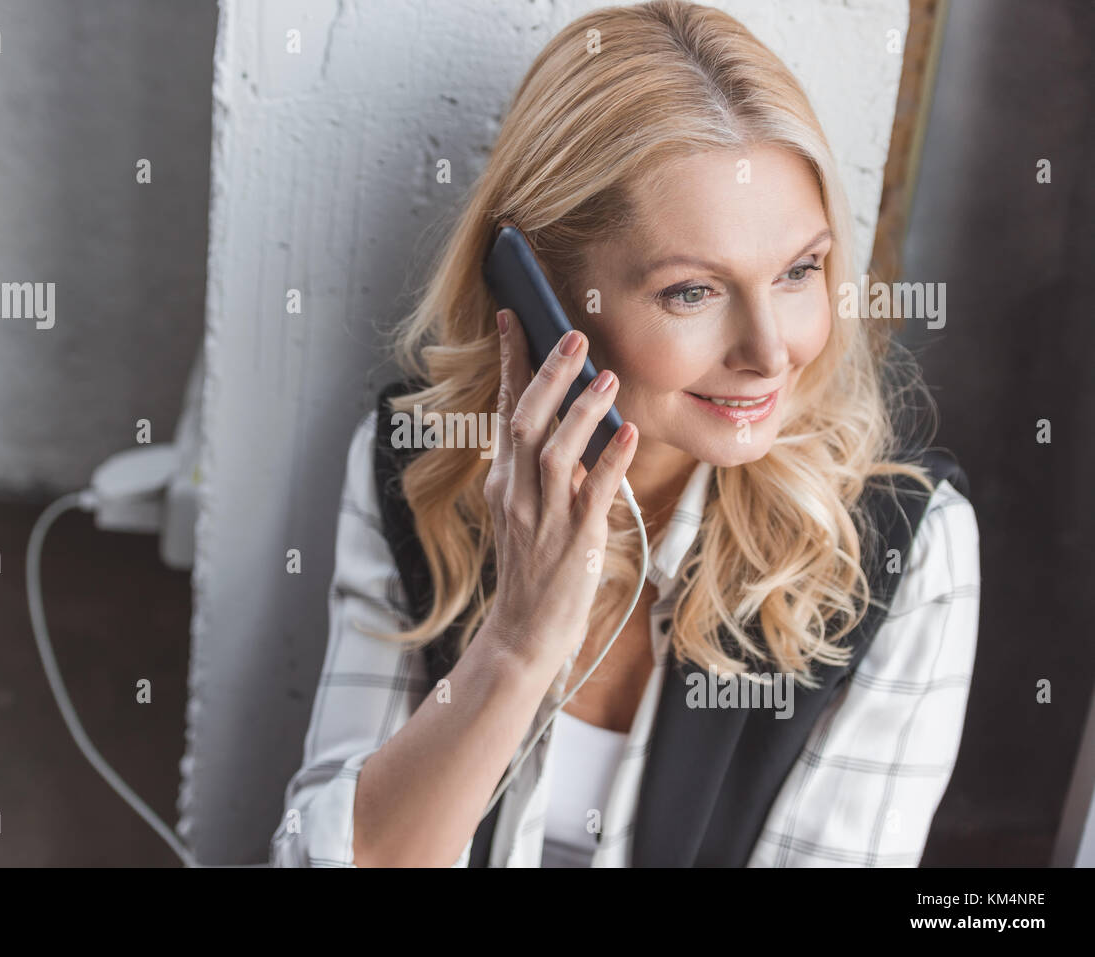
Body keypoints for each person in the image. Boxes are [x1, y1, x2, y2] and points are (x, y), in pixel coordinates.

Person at [270, 0, 980, 867]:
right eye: (693, 291)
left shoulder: (905, 545)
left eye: (799, 271)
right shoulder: (422, 465)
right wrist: (519, 644)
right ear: (540, 287)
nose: (770, 352)